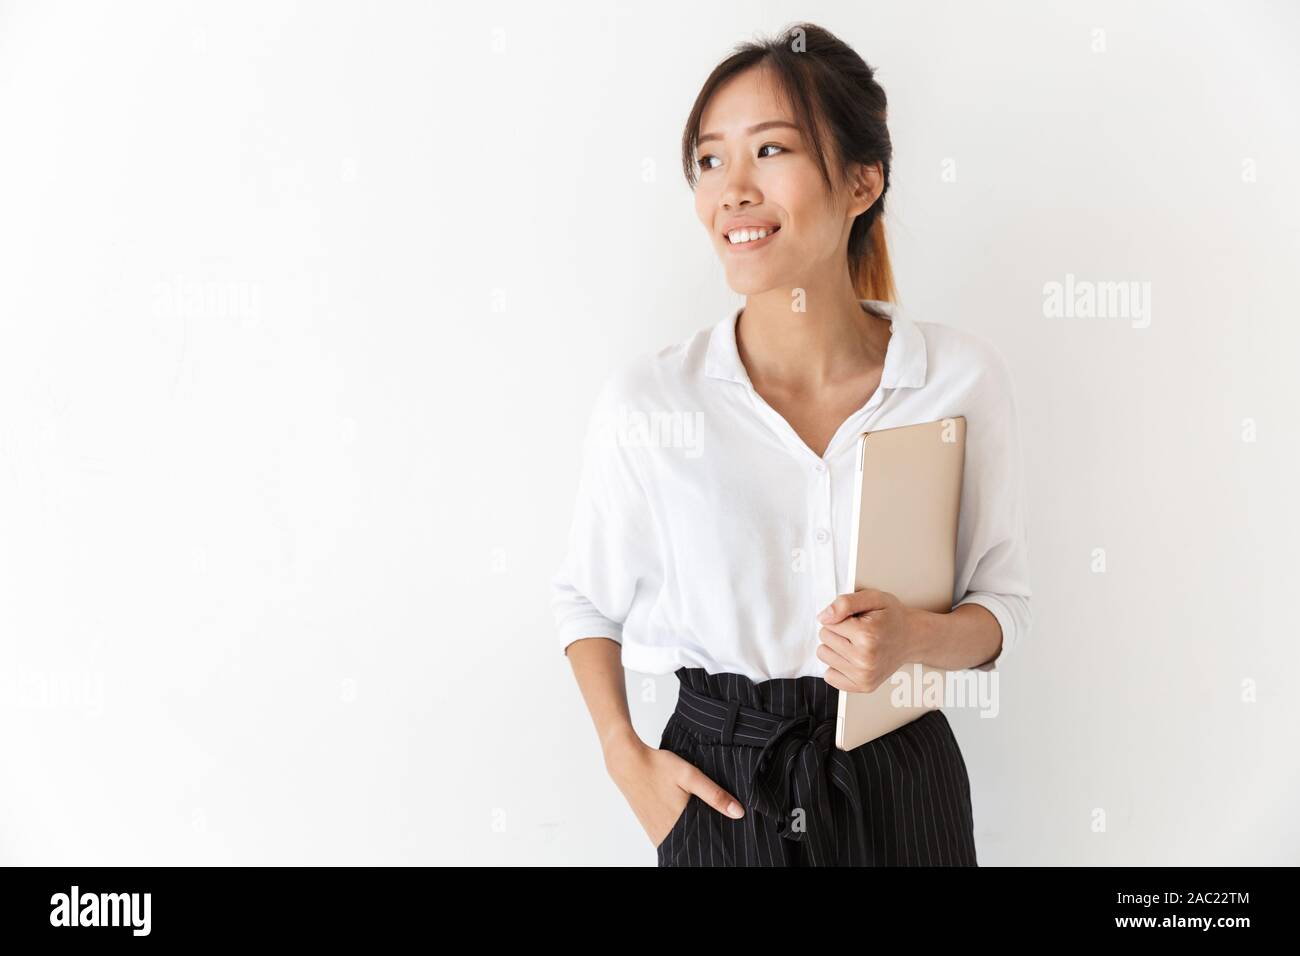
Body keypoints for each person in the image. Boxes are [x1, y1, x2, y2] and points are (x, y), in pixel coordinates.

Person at [550, 22, 1032, 866]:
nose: (731, 189)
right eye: (709, 160)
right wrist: (625, 758)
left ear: (861, 181)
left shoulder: (959, 378)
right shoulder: (652, 401)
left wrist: (917, 641)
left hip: (898, 778)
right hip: (718, 788)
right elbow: (587, 602)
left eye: (769, 151)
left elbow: (1003, 607)